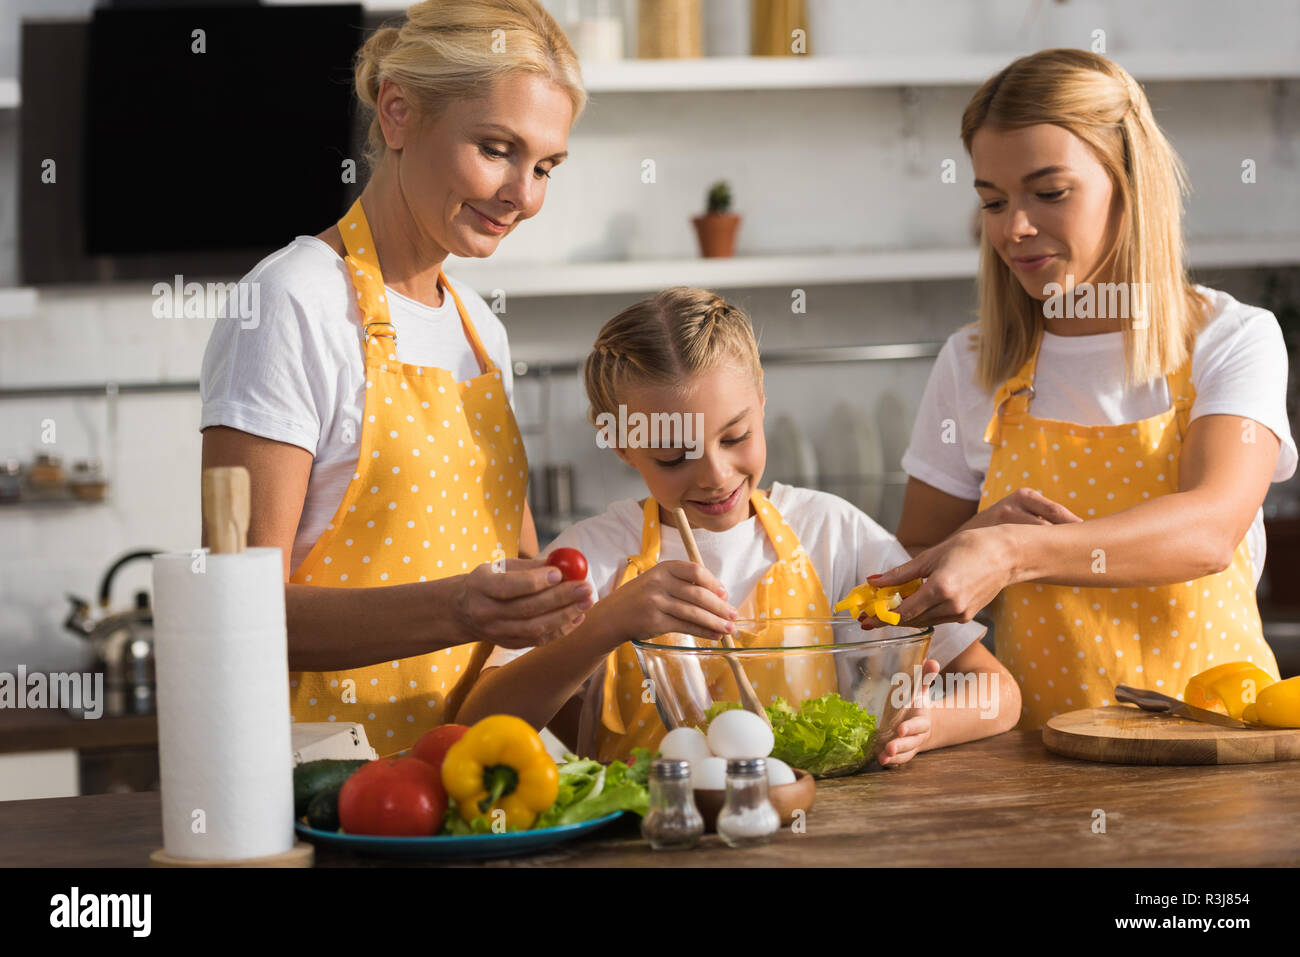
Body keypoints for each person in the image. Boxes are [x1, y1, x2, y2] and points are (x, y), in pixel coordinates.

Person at [198, 0, 594, 755]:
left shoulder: (482, 331)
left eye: (545, 165)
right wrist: (460, 609)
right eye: (496, 148)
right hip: (325, 791)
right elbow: (236, 614)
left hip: (471, 785)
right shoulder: (289, 304)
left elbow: (518, 591)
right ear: (399, 112)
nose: (525, 194)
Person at [867, 50, 1296, 728]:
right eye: (993, 201)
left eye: (1049, 191)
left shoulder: (1231, 338)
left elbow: (1210, 529)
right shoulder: (972, 363)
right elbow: (908, 578)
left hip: (1221, 760)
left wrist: (1012, 553)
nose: (1015, 228)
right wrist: (974, 539)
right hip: (1039, 772)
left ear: (1129, 179)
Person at [457, 287, 1021, 765]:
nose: (715, 476)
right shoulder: (593, 556)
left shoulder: (834, 533)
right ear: (621, 444)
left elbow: (1000, 691)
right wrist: (603, 626)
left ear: (761, 401)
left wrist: (929, 725)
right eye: (673, 457)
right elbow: (477, 725)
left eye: (735, 437)